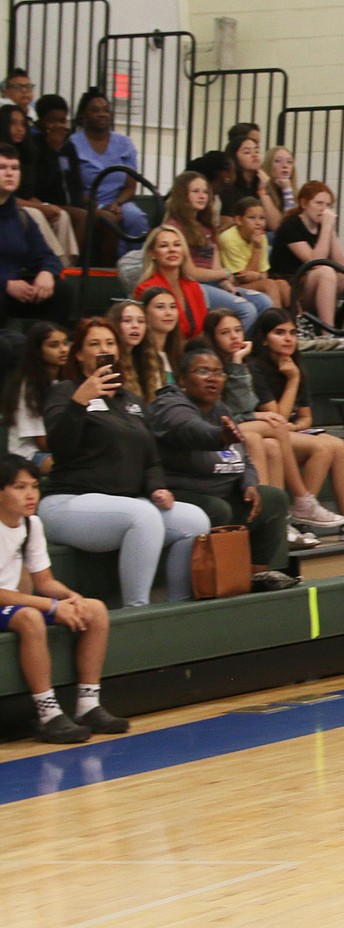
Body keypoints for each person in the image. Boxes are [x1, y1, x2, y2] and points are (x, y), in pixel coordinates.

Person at [39, 318, 210, 606]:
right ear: (79, 354)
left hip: (124, 502)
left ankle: (178, 605)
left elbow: (151, 457)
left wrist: (156, 487)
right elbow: (59, 446)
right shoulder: (65, 392)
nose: (103, 349)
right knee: (142, 517)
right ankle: (136, 611)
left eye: (109, 343)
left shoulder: (129, 399)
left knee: (195, 521)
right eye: (94, 344)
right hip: (68, 501)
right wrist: (79, 401)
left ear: (118, 352)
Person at [147, 344, 299, 591]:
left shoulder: (221, 410)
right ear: (183, 379)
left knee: (273, 498)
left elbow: (244, 458)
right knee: (219, 510)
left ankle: (255, 578)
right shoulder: (170, 405)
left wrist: (248, 483)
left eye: (218, 372)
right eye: (203, 371)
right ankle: (212, 582)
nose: (213, 379)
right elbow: (189, 430)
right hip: (180, 496)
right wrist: (219, 436)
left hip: (224, 492)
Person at [0, 452, 124, 743]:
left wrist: (71, 597)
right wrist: (52, 606)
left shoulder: (32, 524)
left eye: (34, 486)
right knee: (30, 617)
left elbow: (44, 581)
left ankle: (88, 705)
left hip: (15, 604)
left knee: (95, 609)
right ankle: (48, 714)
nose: (30, 495)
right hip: (11, 605)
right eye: (20, 487)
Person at [202, 306, 323, 550]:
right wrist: (238, 366)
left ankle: (281, 521)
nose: (235, 337)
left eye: (238, 330)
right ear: (213, 338)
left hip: (241, 423)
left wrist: (238, 364)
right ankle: (299, 500)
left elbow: (246, 405)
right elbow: (227, 410)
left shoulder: (239, 362)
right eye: (226, 333)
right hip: (216, 429)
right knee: (275, 427)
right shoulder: (211, 363)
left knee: (272, 445)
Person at [162, 170, 268, 327]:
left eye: (205, 191)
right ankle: (228, 349)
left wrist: (225, 283)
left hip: (213, 282)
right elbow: (190, 273)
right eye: (196, 191)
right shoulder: (174, 227)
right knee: (246, 310)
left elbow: (215, 262)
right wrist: (225, 273)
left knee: (263, 302)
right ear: (183, 194)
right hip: (192, 285)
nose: (202, 196)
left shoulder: (206, 225)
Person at [269, 181, 344, 333]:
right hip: (293, 287)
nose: (324, 209)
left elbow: (341, 264)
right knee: (325, 271)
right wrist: (326, 229)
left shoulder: (324, 227)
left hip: (315, 285)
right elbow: (315, 262)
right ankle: (328, 333)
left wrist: (330, 231)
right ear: (304, 203)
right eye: (319, 203)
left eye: (328, 205)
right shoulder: (291, 226)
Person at [68, 90, 146, 253]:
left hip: (119, 202)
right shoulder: (73, 143)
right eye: (95, 110)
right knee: (108, 221)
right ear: (83, 115)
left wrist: (116, 203)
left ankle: (137, 266)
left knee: (135, 217)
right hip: (86, 204)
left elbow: (130, 187)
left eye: (105, 109)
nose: (102, 114)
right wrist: (100, 206)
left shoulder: (124, 143)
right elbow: (73, 188)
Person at [0, 144, 68, 323]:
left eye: (15, 168)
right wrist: (5, 284)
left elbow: (47, 255)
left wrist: (46, 273)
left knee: (61, 291)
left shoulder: (21, 217)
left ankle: (51, 344)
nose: (9, 173)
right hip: (4, 288)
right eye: (2, 167)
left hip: (14, 291)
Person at [3, 104, 78, 264]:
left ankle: (66, 265)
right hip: (6, 206)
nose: (19, 129)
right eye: (13, 123)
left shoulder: (26, 153)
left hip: (23, 203)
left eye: (23, 124)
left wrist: (44, 204)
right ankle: (54, 261)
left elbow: (28, 194)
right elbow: (7, 198)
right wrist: (41, 207)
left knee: (61, 215)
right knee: (35, 213)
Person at [136, 224, 214, 346]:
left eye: (177, 245)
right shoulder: (146, 289)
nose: (172, 249)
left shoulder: (194, 287)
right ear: (152, 253)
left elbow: (203, 329)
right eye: (164, 246)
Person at [3, 321, 66, 468]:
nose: (63, 350)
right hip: (29, 454)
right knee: (64, 467)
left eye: (65, 343)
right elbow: (42, 442)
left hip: (61, 448)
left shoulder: (68, 381)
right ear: (38, 351)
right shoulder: (29, 386)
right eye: (54, 345)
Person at [217, 197, 292, 309]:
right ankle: (278, 323)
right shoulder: (228, 238)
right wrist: (257, 248)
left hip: (254, 281)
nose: (258, 223)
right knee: (269, 285)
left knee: (283, 285)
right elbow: (243, 278)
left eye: (262, 218)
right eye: (252, 218)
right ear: (239, 220)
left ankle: (299, 321)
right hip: (232, 286)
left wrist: (259, 275)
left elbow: (264, 273)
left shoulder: (261, 237)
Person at [218, 132, 282, 231]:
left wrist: (263, 192)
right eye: (247, 152)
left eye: (256, 151)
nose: (254, 155)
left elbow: (276, 226)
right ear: (234, 157)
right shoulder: (228, 188)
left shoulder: (262, 182)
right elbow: (227, 228)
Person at [131, 284, 182, 400]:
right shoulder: (137, 356)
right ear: (145, 313)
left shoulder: (179, 353)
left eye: (173, 307)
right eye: (160, 307)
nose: (168, 313)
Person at [265, 145, 298, 218]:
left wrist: (287, 190)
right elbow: (285, 224)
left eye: (289, 162)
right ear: (269, 165)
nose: (285, 166)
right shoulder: (263, 192)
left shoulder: (296, 195)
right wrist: (287, 191)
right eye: (278, 161)